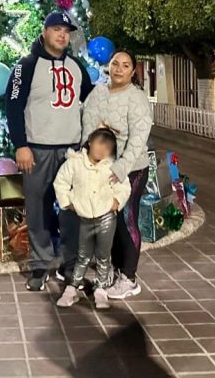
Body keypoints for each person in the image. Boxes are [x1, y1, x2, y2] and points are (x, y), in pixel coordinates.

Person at [5, 11, 93, 291]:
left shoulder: (77, 66)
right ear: (44, 32)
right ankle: (40, 265)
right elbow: (13, 106)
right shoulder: (26, 66)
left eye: (66, 31)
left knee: (71, 210)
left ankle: (69, 265)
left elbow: (90, 102)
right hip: (37, 150)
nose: (62, 35)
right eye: (56, 29)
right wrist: (21, 145)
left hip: (70, 150)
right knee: (39, 209)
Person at [81, 49, 153, 300]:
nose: (119, 69)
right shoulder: (98, 92)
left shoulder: (137, 98)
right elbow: (88, 124)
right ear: (108, 66)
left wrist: (121, 168)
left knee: (126, 219)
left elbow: (138, 138)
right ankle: (111, 272)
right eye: (115, 64)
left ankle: (129, 278)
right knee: (108, 222)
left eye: (125, 65)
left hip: (131, 169)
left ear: (133, 71)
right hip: (103, 168)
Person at [53, 128, 131, 310]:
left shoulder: (112, 166)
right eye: (99, 144)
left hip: (106, 218)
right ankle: (72, 288)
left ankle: (101, 289)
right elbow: (61, 182)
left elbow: (124, 185)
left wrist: (116, 201)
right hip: (84, 218)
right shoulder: (75, 163)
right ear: (89, 142)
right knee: (82, 255)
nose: (101, 151)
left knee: (104, 256)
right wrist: (68, 202)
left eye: (107, 148)